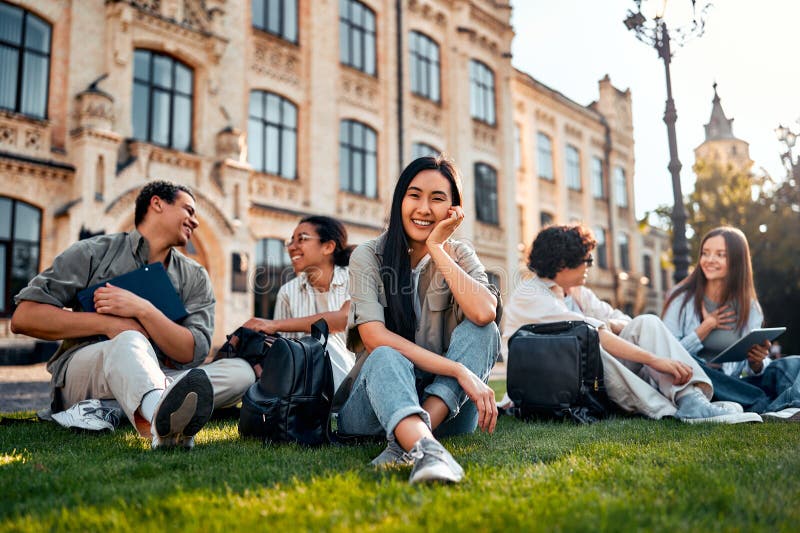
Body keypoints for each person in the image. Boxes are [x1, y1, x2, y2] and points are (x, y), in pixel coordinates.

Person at [10, 181, 255, 448]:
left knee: (240, 372)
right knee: (130, 340)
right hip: (87, 373)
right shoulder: (94, 252)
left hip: (159, 373)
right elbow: (24, 317)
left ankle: (113, 409)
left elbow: (191, 353)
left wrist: (142, 309)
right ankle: (161, 422)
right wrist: (112, 324)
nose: (195, 221)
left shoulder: (195, 276)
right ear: (157, 204)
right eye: (189, 210)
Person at [333, 155, 501, 484]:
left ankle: (411, 442)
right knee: (384, 353)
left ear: (454, 210)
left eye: (437, 199)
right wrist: (458, 369)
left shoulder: (460, 254)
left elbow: (484, 313)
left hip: (445, 408)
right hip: (372, 410)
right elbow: (374, 337)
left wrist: (437, 246)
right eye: (414, 195)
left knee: (485, 330)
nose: (424, 208)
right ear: (400, 200)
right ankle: (428, 449)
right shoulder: (368, 255)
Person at [501, 224, 760, 423]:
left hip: (579, 378)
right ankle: (668, 409)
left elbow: (624, 322)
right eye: (586, 260)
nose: (590, 266)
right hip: (547, 384)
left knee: (646, 322)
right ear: (561, 263)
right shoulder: (532, 295)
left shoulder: (576, 293)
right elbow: (597, 335)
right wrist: (653, 359)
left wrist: (611, 325)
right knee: (596, 347)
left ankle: (691, 399)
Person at [662, 226, 800, 421]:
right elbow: (663, 351)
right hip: (698, 383)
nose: (709, 260)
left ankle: (782, 405)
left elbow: (750, 368)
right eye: (705, 253)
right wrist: (704, 329)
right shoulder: (680, 299)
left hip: (736, 385)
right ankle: (773, 406)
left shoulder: (749, 307)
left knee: (793, 364)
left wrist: (757, 363)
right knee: (701, 367)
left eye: (720, 255)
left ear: (736, 261)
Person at [243, 215, 355, 390]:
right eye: (291, 241)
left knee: (324, 343)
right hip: (306, 378)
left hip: (355, 373)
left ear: (328, 246)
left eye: (302, 239)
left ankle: (341, 404)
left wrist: (274, 324)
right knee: (307, 347)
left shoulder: (354, 277)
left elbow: (343, 319)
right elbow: (286, 348)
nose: (291, 247)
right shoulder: (287, 292)